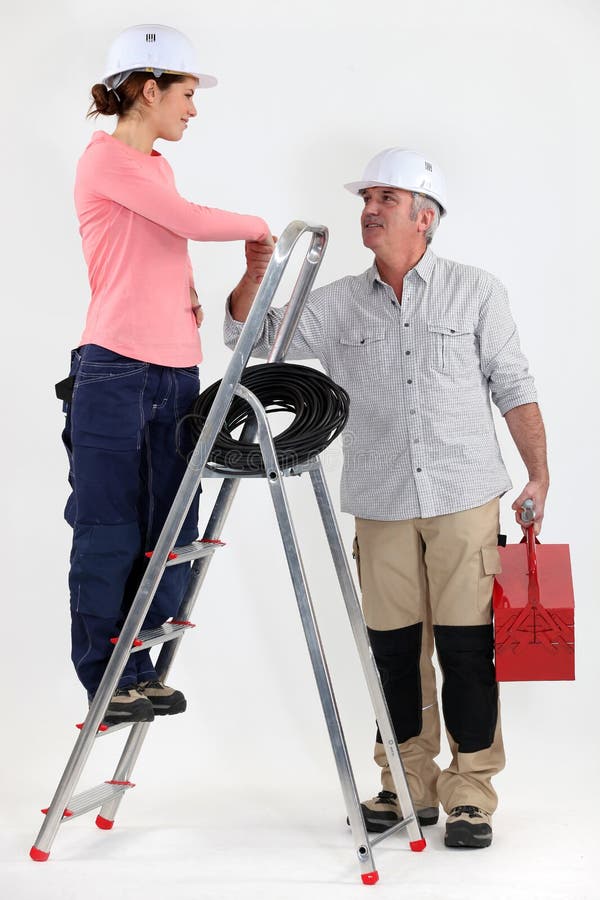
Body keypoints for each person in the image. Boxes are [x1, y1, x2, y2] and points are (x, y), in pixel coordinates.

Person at [223, 148, 549, 849]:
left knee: (467, 650)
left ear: (424, 218)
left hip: (464, 497)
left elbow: (514, 384)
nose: (369, 209)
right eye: (366, 197)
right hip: (380, 500)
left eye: (386, 199)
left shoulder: (476, 292)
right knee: (393, 653)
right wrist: (256, 278)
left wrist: (538, 476)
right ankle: (406, 784)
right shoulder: (337, 303)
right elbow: (245, 338)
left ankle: (470, 793)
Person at [62, 24, 272, 726]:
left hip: (175, 373)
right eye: (186, 92)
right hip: (115, 371)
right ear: (149, 89)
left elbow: (159, 239)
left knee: (169, 530)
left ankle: (139, 665)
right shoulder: (104, 161)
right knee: (109, 530)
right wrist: (258, 224)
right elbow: (185, 220)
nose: (193, 108)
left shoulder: (155, 166)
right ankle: (106, 676)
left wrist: (182, 288)